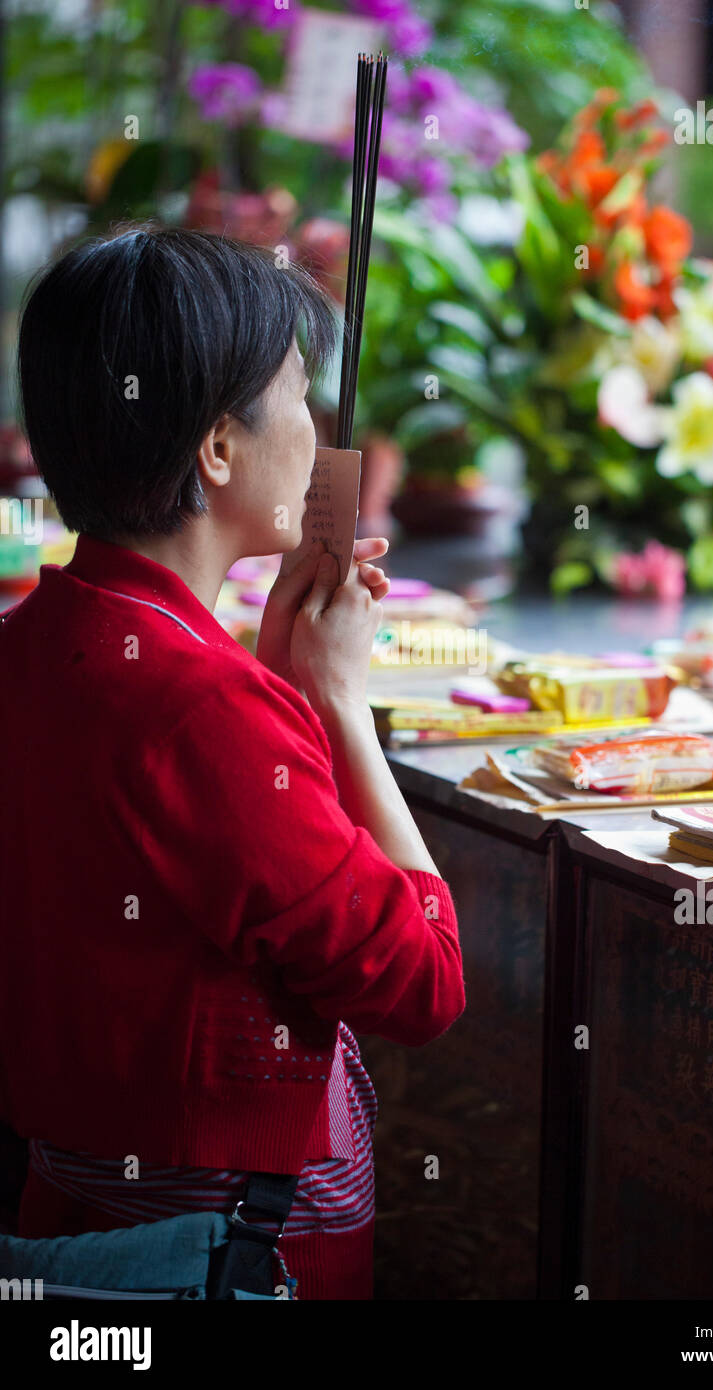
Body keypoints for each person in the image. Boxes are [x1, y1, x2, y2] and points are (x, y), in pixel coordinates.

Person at [0, 225, 465, 1300]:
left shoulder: (34, 641)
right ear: (216, 449)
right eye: (298, 395)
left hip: (68, 1226)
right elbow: (424, 977)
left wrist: (273, 686)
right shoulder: (203, 707)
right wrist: (337, 702)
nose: (315, 430)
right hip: (216, 1260)